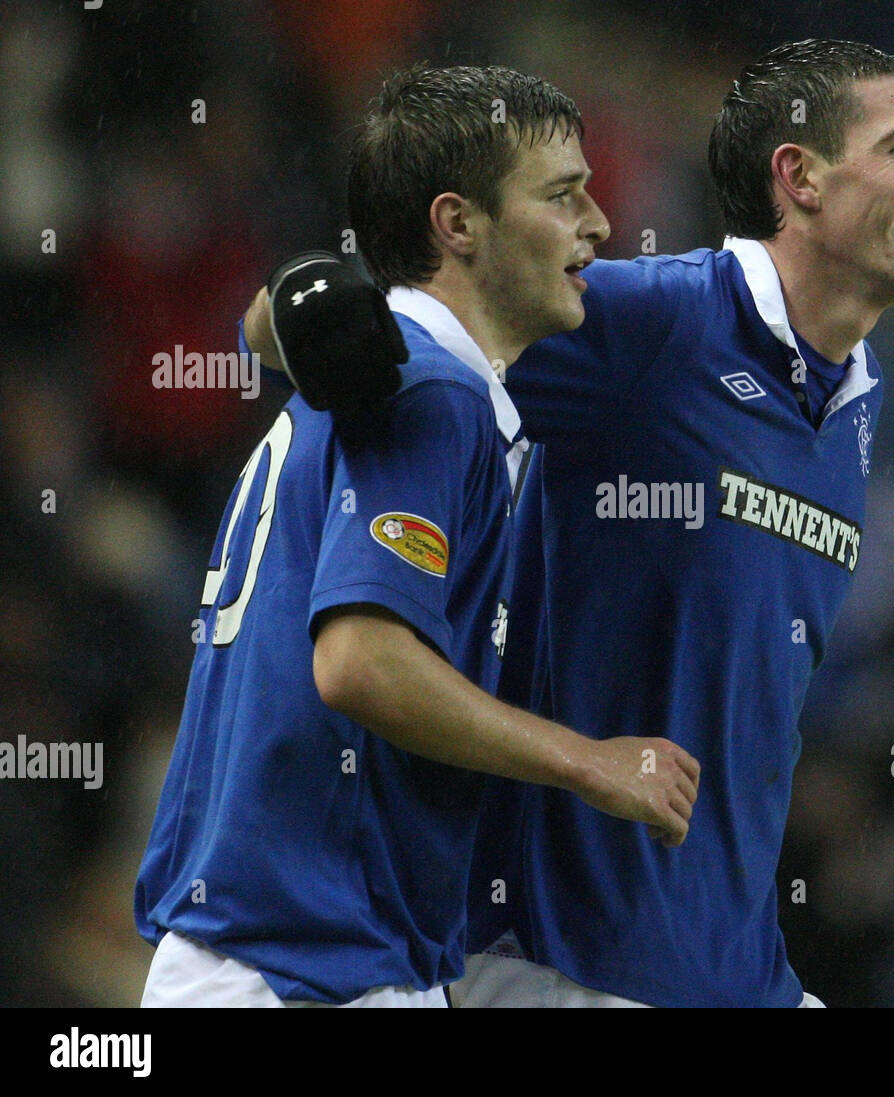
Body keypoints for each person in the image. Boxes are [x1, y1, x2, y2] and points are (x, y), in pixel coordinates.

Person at [243, 38, 894, 1007]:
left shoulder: (861, 400)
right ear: (801, 176)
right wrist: (293, 302)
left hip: (737, 968)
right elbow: (377, 321)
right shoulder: (662, 323)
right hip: (567, 957)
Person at [134, 62, 699, 1008]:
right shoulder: (433, 391)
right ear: (458, 223)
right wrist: (589, 760)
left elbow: (260, 329)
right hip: (311, 963)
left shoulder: (365, 359)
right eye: (563, 196)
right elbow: (361, 663)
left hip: (278, 951)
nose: (599, 224)